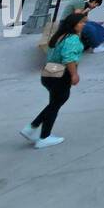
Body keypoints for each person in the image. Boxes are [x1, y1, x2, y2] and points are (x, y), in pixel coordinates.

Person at [23, 11, 85, 148]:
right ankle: (43, 136)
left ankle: (33, 129)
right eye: (81, 22)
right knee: (55, 105)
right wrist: (74, 74)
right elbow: (68, 58)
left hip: (48, 73)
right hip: (61, 75)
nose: (83, 25)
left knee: (54, 104)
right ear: (72, 24)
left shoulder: (59, 36)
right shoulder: (72, 38)